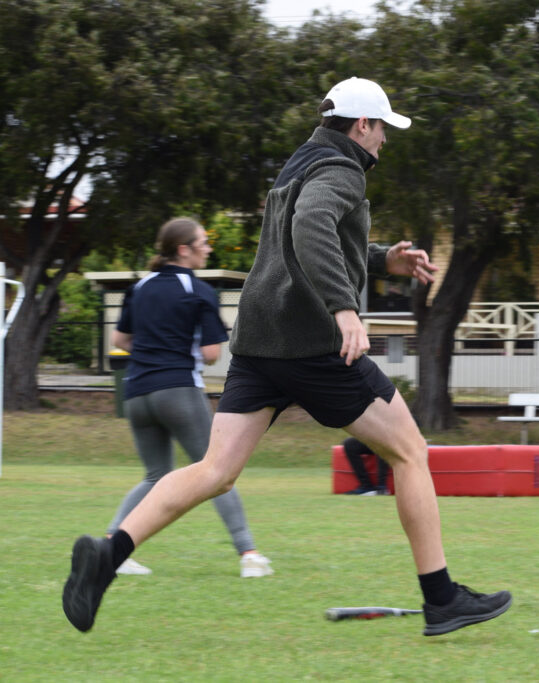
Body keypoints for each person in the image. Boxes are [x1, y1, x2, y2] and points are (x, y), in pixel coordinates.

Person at [63, 77, 512, 635]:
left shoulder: (302, 162)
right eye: (383, 129)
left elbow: (299, 246)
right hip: (312, 344)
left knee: (216, 471)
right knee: (410, 452)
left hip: (259, 344)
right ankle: (443, 599)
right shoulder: (342, 169)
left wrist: (378, 260)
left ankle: (108, 555)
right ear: (362, 125)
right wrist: (345, 308)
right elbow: (311, 227)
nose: (385, 142)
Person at [106, 217, 272, 579]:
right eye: (203, 241)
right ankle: (250, 554)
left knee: (155, 475)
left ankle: (110, 547)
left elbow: (120, 340)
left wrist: (153, 351)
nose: (208, 246)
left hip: (135, 394)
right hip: (177, 389)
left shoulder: (140, 286)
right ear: (184, 249)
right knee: (215, 471)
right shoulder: (198, 291)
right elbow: (211, 353)